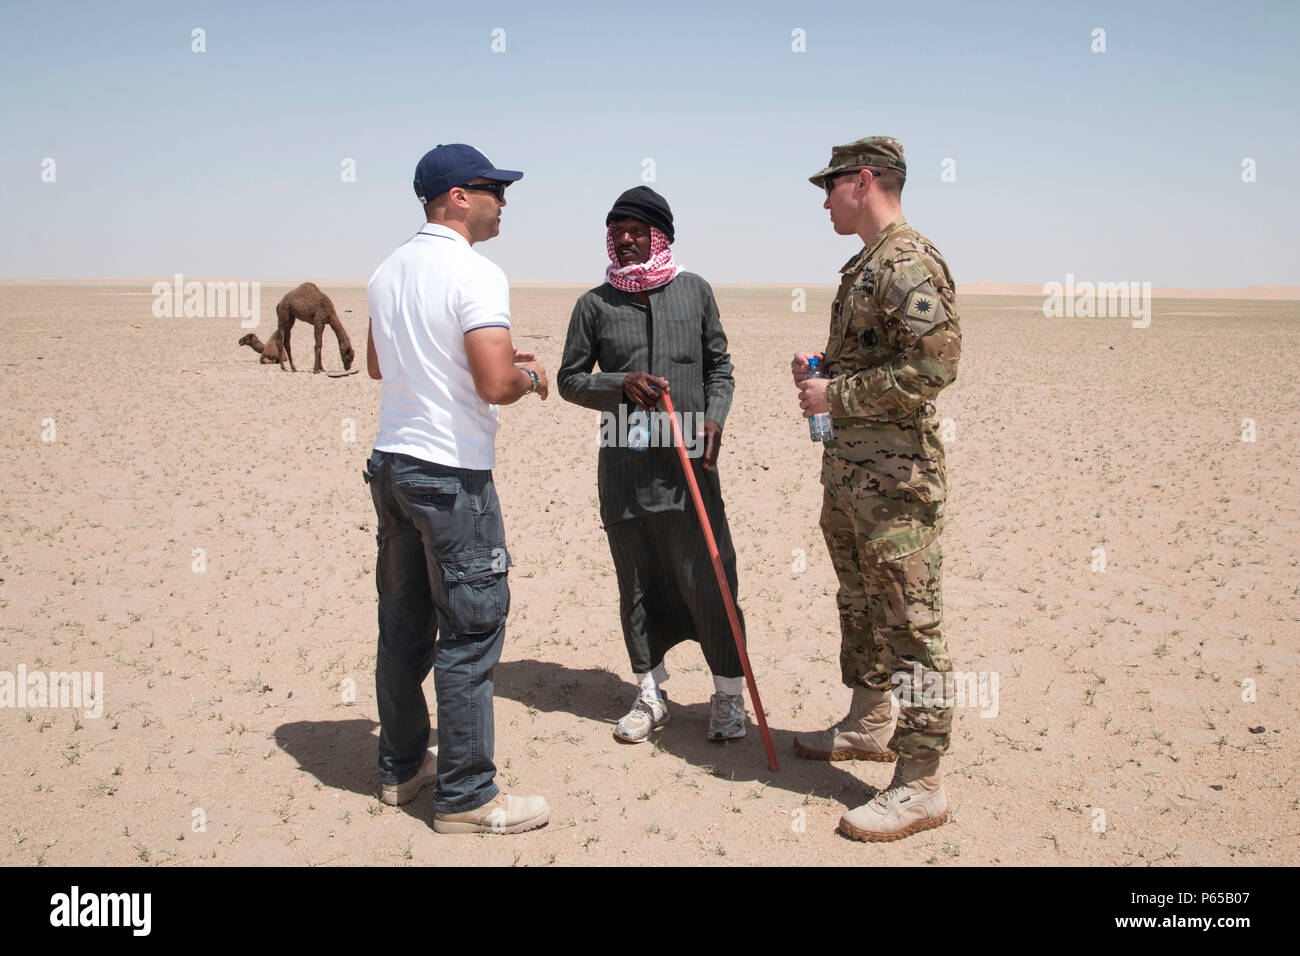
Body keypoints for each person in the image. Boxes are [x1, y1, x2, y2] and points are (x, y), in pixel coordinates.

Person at [363, 143, 551, 835]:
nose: (505, 200)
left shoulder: (386, 271)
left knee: (403, 625)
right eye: (494, 188)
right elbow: (495, 384)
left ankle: (402, 767)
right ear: (459, 198)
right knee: (470, 631)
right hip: (450, 474)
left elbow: (382, 364)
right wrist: (530, 377)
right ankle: (468, 796)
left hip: (391, 465)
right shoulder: (476, 272)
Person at [791, 136, 961, 842]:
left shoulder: (906, 260)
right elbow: (882, 359)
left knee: (911, 624)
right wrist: (823, 376)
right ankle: (869, 723)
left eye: (829, 186)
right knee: (862, 603)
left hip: (896, 483)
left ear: (863, 181)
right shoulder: (865, 264)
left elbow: (935, 368)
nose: (823, 200)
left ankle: (921, 781)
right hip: (856, 477)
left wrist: (838, 392)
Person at [557, 186, 749, 744]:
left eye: (636, 230)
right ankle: (649, 693)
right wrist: (621, 384)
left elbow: (721, 368)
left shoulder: (695, 292)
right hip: (625, 466)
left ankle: (729, 697)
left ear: (660, 235)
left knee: (709, 577)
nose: (624, 238)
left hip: (692, 464)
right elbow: (570, 380)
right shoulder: (593, 304)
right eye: (615, 229)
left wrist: (715, 418)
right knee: (636, 580)